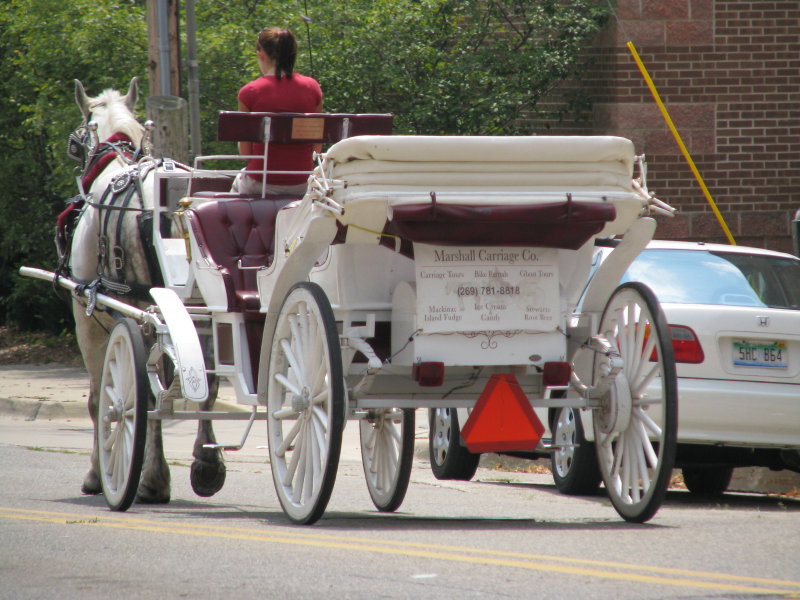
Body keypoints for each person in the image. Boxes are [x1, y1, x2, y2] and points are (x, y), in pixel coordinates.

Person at [232, 27, 323, 196]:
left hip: (261, 182)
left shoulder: (249, 92)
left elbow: (246, 154)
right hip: (302, 182)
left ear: (261, 55)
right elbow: (317, 147)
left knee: (238, 181)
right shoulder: (312, 88)